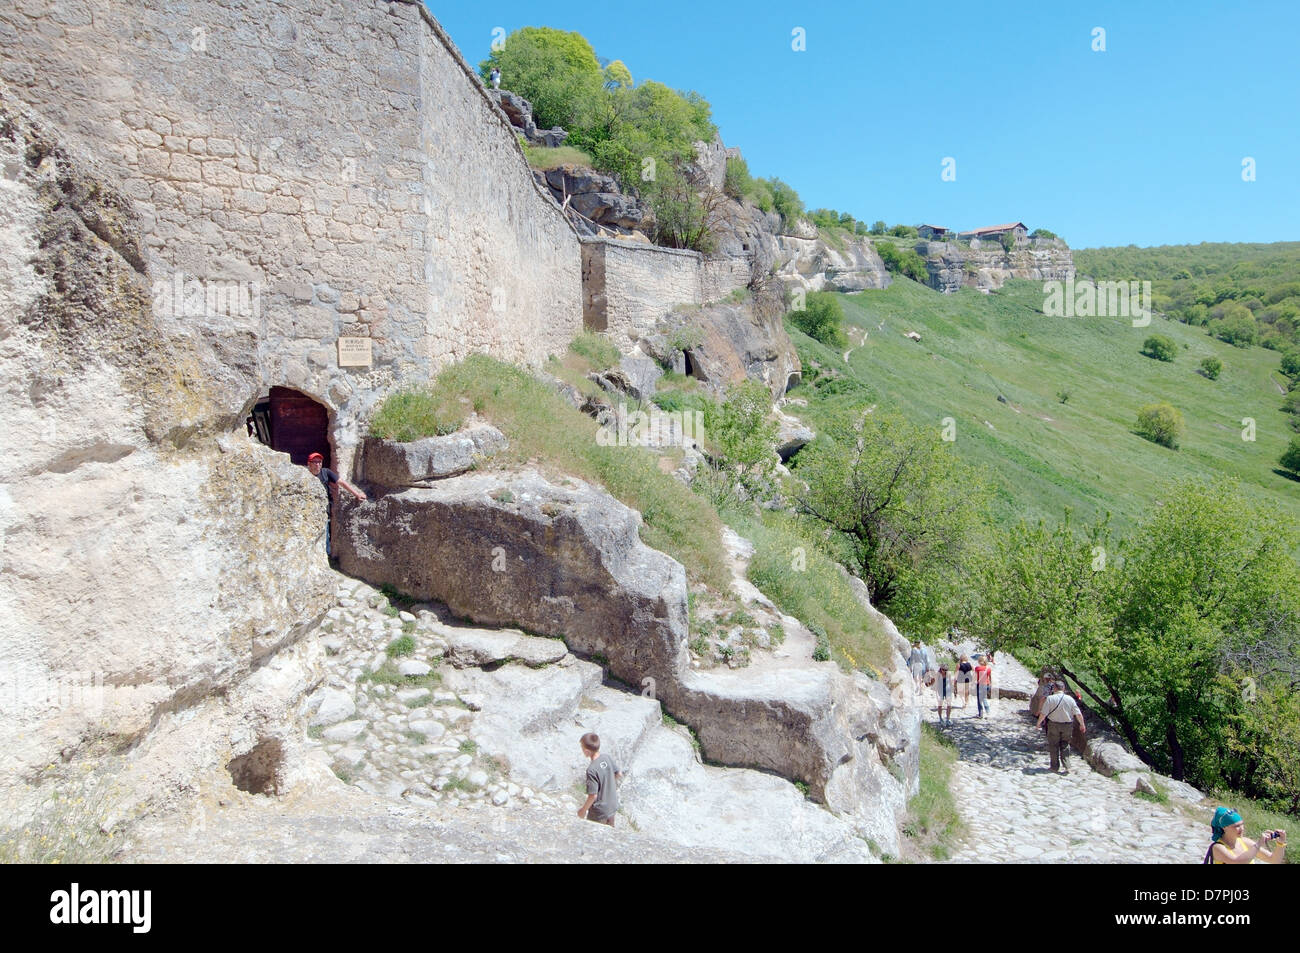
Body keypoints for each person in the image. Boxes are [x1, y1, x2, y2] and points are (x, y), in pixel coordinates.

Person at [306, 452, 366, 559]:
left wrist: (357, 494)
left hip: (324, 510)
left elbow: (341, 482)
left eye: (319, 462)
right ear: (309, 464)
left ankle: (326, 556)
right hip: (309, 510)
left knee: (325, 533)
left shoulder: (326, 472)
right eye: (314, 462)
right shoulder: (304, 475)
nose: (317, 464)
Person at [1035, 680, 1086, 773]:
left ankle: (1054, 767)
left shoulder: (1050, 699)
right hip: (1067, 725)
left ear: (1054, 688)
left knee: (1053, 745)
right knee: (1065, 745)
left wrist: (1038, 723)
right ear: (1064, 688)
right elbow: (1077, 713)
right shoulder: (1070, 699)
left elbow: (1044, 713)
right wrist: (1082, 724)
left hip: (1053, 725)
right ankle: (1067, 766)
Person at [1206, 807, 1287, 864]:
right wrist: (1258, 844)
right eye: (1236, 826)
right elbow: (1237, 862)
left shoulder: (1245, 842)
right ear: (1224, 827)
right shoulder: (1218, 847)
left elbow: (1274, 860)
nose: (1241, 829)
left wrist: (1281, 843)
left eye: (1242, 825)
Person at [577, 732, 622, 826]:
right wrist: (608, 786)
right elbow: (619, 774)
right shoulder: (606, 757)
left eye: (582, 748)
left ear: (587, 751)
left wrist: (583, 810)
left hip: (599, 813)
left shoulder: (591, 770)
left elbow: (593, 796)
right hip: (612, 806)